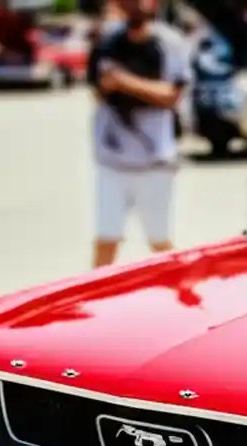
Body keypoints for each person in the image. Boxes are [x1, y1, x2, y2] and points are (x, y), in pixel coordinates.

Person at [87, 0, 190, 268]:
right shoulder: (107, 40)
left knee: (160, 240)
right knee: (106, 239)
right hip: (113, 156)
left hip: (155, 158)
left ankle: (180, 294)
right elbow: (97, 89)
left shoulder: (170, 42)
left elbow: (171, 95)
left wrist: (124, 82)